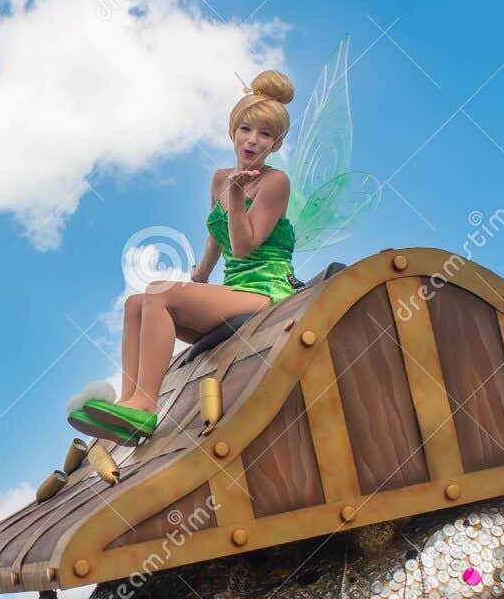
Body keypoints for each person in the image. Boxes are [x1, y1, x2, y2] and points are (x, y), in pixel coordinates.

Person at [67, 39, 377, 446]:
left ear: (277, 145)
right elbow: (217, 235)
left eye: (265, 134)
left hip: (265, 292)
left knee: (158, 293)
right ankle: (128, 403)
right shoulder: (219, 178)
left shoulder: (274, 182)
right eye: (246, 129)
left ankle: (145, 406)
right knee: (136, 304)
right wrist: (198, 276)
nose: (252, 140)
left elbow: (245, 245)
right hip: (231, 288)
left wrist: (234, 197)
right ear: (232, 132)